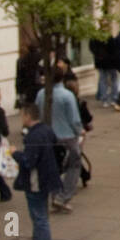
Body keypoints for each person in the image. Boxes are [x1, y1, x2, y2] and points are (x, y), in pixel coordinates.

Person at [12, 103, 61, 240]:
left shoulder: (33, 136)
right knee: (40, 214)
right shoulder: (46, 130)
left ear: (27, 116)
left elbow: (28, 161)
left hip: (36, 181)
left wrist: (15, 154)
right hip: (47, 178)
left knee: (39, 216)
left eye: (22, 115)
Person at [36, 68, 82, 212]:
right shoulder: (67, 96)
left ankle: (55, 195)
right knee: (74, 165)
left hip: (48, 136)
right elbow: (74, 119)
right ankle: (63, 197)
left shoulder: (41, 94)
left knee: (53, 167)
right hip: (66, 136)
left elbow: (38, 113)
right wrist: (79, 132)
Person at [63, 76, 93, 187]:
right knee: (75, 155)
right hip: (77, 132)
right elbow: (88, 118)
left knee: (73, 155)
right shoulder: (80, 103)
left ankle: (83, 175)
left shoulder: (65, 102)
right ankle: (83, 175)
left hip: (68, 132)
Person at [91, 27, 120, 107]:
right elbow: (114, 49)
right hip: (110, 63)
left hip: (102, 62)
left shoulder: (96, 38)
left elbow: (92, 48)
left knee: (103, 80)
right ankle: (113, 98)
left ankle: (105, 99)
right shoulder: (109, 37)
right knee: (112, 80)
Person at [15, 42, 43, 108]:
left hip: (27, 84)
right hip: (37, 82)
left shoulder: (23, 59)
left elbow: (20, 73)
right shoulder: (40, 57)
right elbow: (42, 70)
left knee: (28, 103)